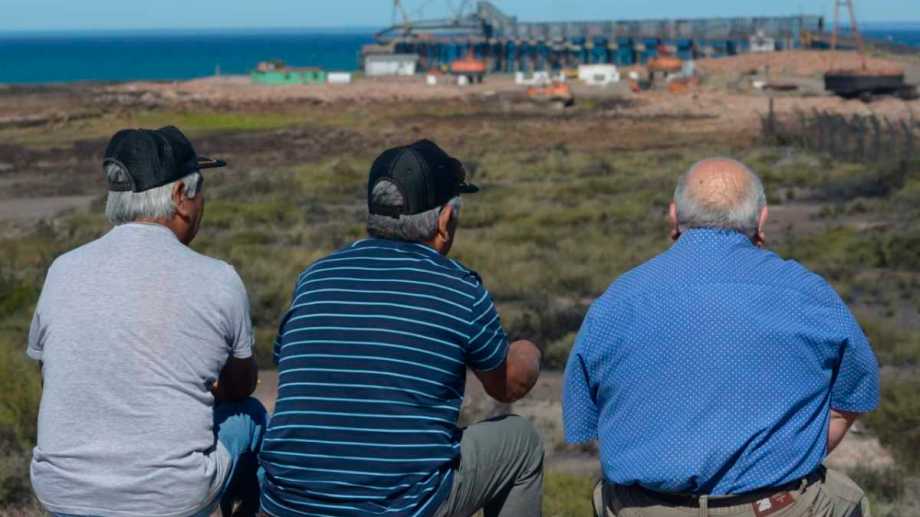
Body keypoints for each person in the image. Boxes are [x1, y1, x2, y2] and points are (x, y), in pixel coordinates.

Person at [563, 158, 880, 517]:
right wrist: (785, 453)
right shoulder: (810, 294)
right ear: (762, 219)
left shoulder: (616, 301)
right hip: (776, 506)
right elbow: (852, 397)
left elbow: (586, 418)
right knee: (846, 497)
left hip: (645, 507)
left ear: (673, 217)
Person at [260, 139, 545, 517]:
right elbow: (508, 385)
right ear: (444, 221)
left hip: (286, 504)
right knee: (521, 442)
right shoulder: (457, 287)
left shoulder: (315, 277)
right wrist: (528, 352)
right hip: (400, 506)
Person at [27, 126, 267, 517]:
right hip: (172, 499)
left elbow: (51, 372)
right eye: (199, 187)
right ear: (180, 197)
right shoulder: (218, 276)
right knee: (251, 416)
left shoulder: (63, 269)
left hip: (63, 493)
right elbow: (242, 385)